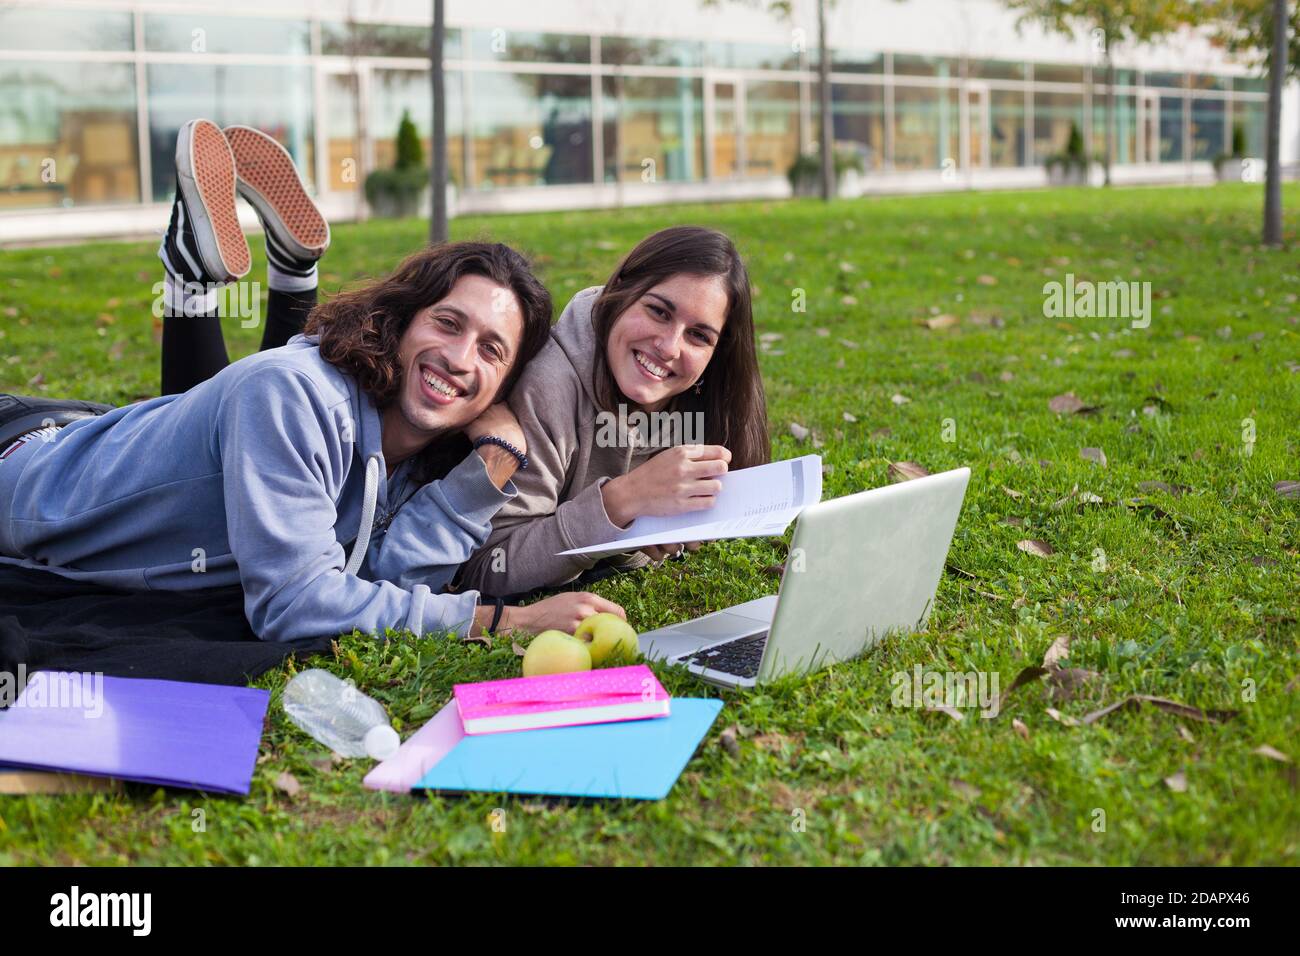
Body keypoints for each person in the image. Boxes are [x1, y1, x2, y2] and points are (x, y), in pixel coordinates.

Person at [0, 118, 623, 642]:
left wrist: (487, 471)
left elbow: (386, 578)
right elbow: (294, 604)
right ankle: (204, 274)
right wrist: (499, 621)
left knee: (229, 409)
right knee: (267, 392)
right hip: (24, 466)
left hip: (115, 433)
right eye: (448, 323)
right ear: (402, 321)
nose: (462, 357)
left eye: (491, 350)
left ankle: (286, 276)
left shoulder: (423, 446)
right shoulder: (292, 395)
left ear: (505, 381)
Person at [456, 225, 770, 599]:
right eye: (658, 311)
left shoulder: (694, 399)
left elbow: (619, 547)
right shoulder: (548, 387)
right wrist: (620, 502)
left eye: (699, 336)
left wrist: (633, 540)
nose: (669, 347)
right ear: (620, 292)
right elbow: (486, 567)